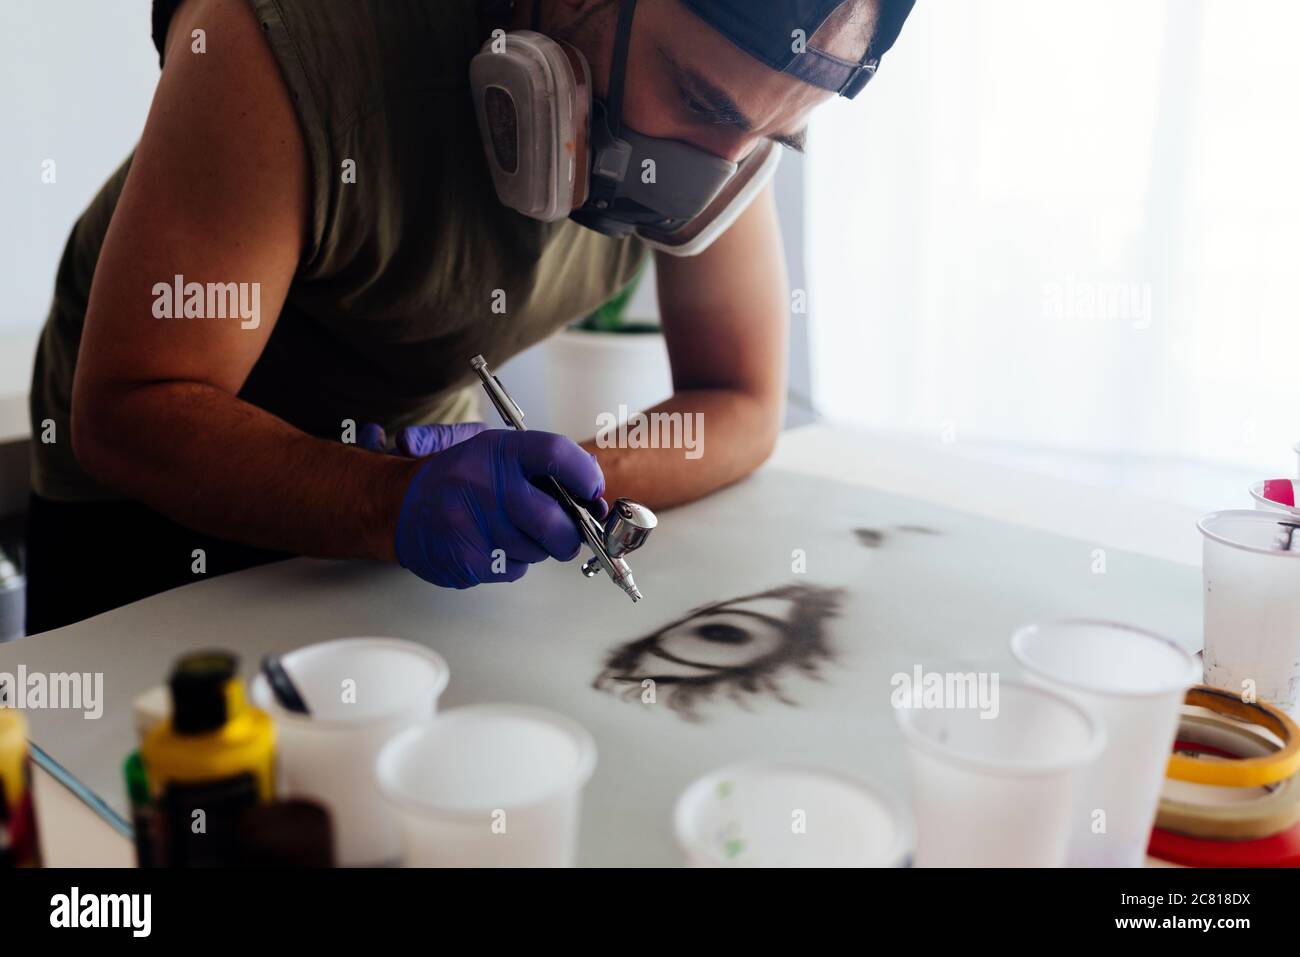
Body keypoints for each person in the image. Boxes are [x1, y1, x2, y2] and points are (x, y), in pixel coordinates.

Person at [24, 0, 912, 633]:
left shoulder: (735, 109)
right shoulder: (283, 32)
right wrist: (386, 498)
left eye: (773, 138)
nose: (716, 178)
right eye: (700, 100)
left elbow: (741, 398)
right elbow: (129, 410)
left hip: (400, 515)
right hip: (152, 522)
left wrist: (566, 485)